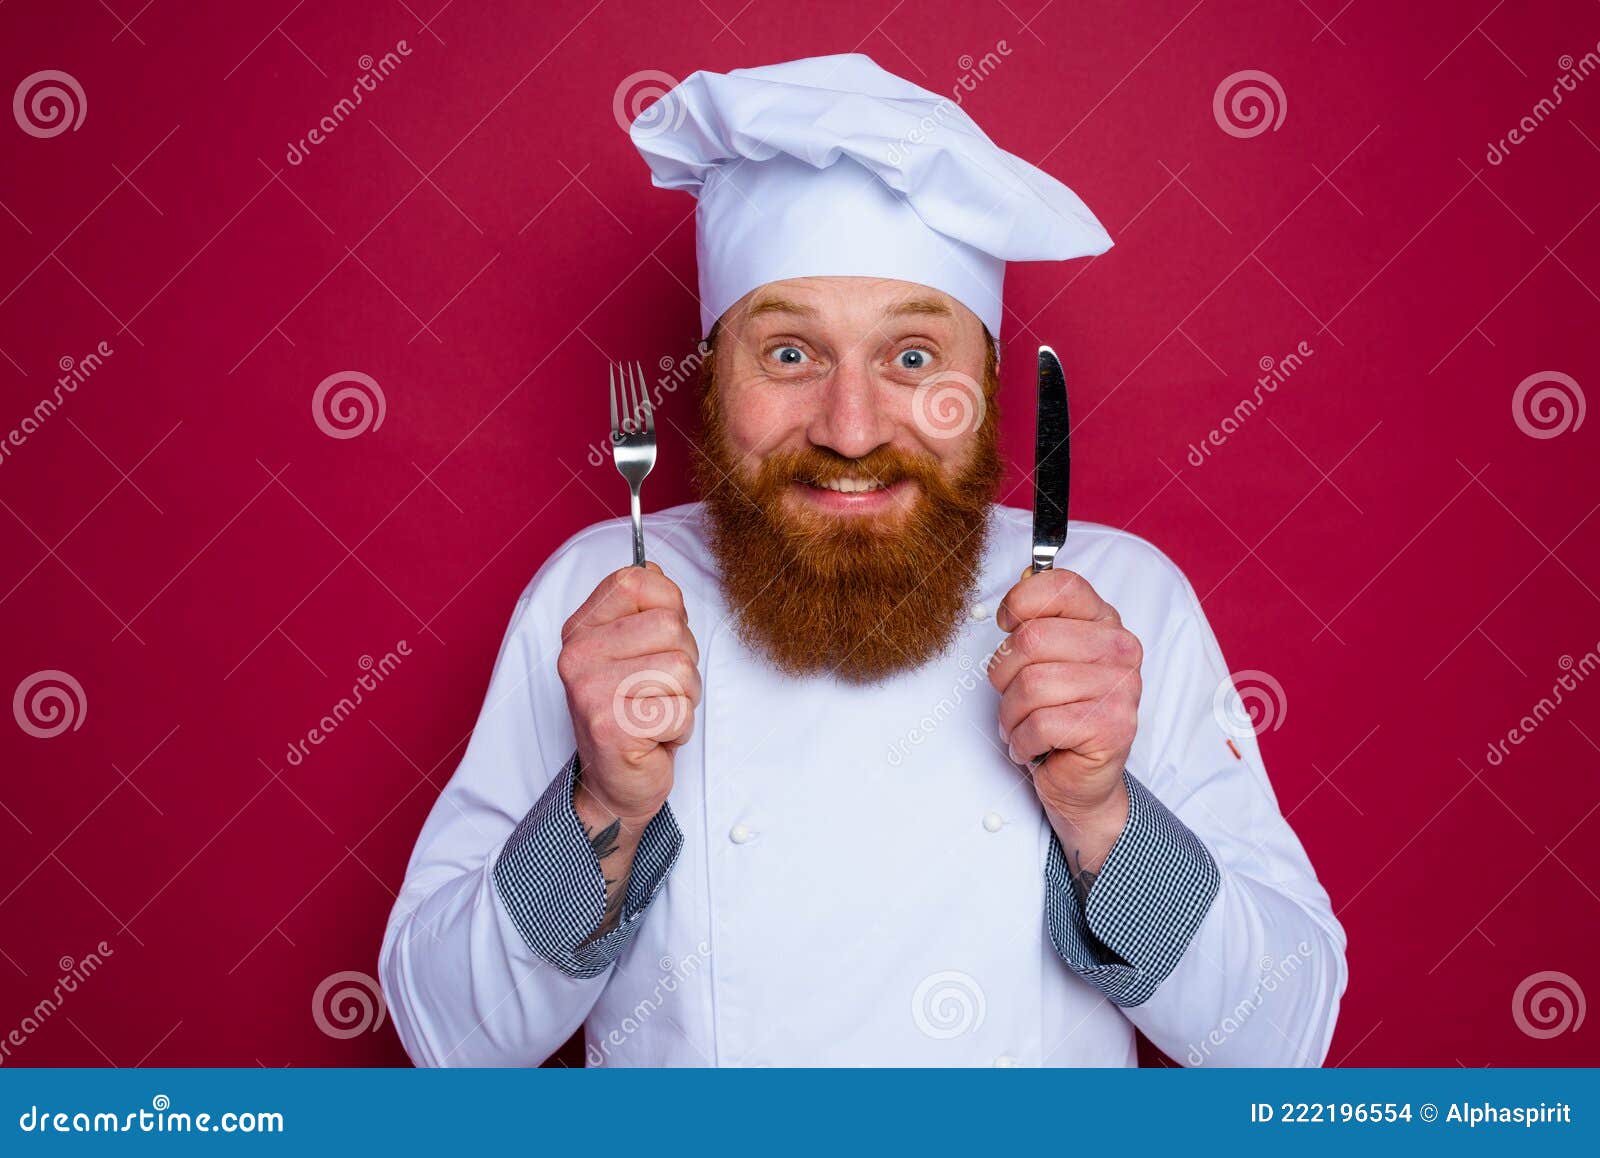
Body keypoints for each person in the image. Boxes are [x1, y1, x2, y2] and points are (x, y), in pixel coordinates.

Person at [378, 53, 1347, 1067]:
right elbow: (453, 1045)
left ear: (986, 383)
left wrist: (1103, 815)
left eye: (913, 358)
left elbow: (1276, 1045)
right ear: (712, 382)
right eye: (789, 354)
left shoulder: (1117, 603)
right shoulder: (607, 596)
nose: (850, 429)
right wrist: (601, 806)